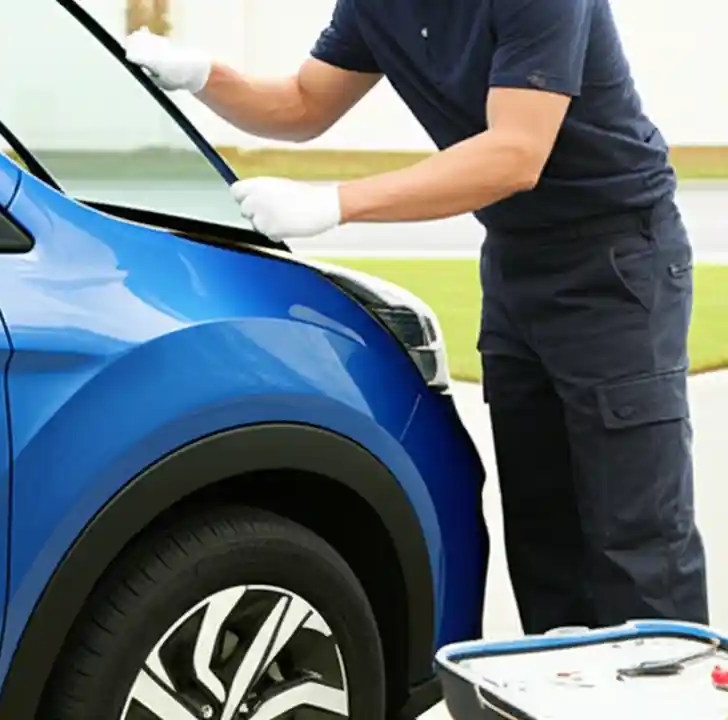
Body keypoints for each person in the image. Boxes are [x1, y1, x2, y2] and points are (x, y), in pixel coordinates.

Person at [122, 0, 709, 635]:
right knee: (543, 534)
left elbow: (516, 152)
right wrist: (203, 74)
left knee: (635, 536)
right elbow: (302, 103)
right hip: (515, 262)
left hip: (615, 260)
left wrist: (337, 202)